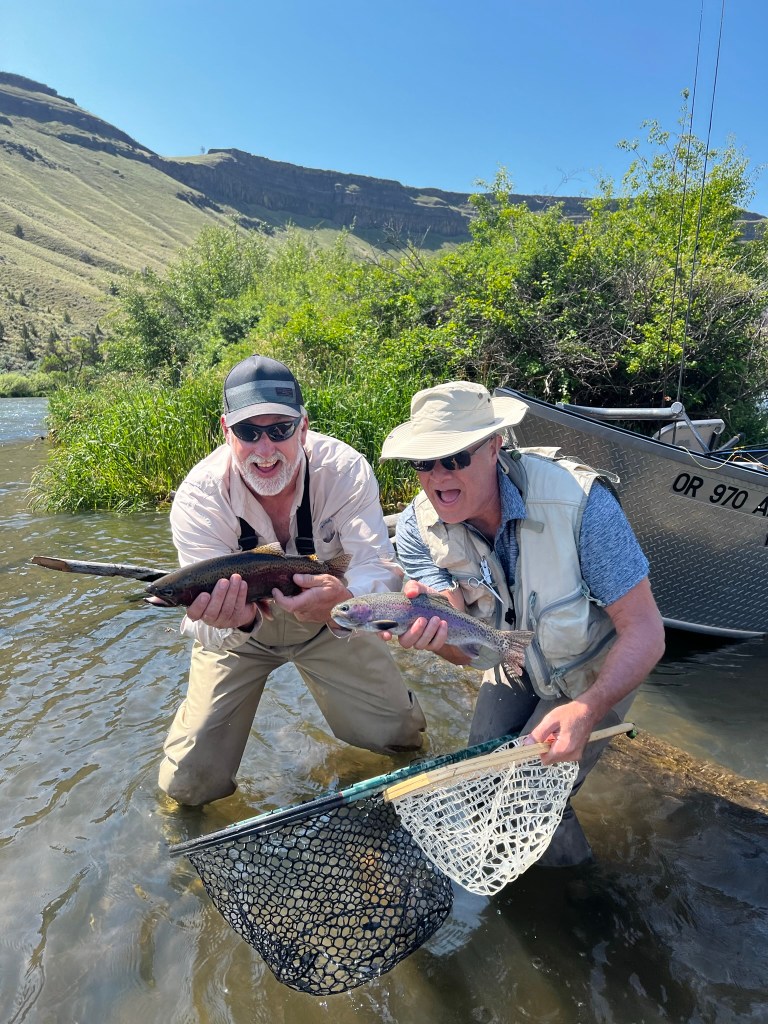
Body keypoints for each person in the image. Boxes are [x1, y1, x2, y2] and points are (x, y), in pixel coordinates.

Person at [378, 380, 665, 867]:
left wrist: (588, 709)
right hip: (512, 662)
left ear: (496, 446)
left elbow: (646, 631)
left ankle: (579, 894)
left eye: (455, 458)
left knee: (532, 800)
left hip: (591, 669)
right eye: (424, 462)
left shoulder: (581, 504)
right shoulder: (414, 529)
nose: (439, 477)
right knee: (480, 776)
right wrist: (433, 641)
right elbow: (466, 646)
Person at [158, 355, 426, 806]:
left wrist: (343, 606)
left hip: (330, 619)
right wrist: (238, 620)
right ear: (226, 431)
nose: (265, 449)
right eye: (248, 432)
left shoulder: (344, 471)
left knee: (399, 738)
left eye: (280, 430)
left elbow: (377, 568)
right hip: (239, 635)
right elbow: (202, 622)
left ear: (303, 428)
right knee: (187, 785)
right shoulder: (200, 497)